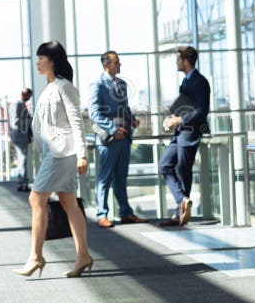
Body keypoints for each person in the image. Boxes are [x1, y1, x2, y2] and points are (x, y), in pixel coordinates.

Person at [13, 40, 93, 278]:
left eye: (42, 58)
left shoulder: (64, 87)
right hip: (55, 152)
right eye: (37, 58)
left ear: (53, 60)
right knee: (69, 204)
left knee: (36, 198)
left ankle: (36, 257)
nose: (38, 62)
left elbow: (76, 121)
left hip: (63, 153)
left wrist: (83, 155)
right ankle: (83, 256)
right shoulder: (49, 88)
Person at [89, 51, 147, 228]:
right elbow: (94, 113)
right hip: (109, 139)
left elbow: (124, 107)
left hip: (125, 136)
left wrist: (132, 120)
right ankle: (102, 214)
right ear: (107, 64)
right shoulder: (97, 84)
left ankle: (126, 213)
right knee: (105, 178)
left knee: (121, 177)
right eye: (117, 62)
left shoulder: (121, 84)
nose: (120, 65)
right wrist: (113, 130)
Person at [158, 46, 211, 227]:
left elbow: (202, 110)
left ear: (186, 62)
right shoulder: (186, 82)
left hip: (190, 133)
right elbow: (185, 106)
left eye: (178, 60)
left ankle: (179, 213)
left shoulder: (200, 82)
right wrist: (172, 119)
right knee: (164, 164)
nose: (176, 63)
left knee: (183, 170)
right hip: (180, 131)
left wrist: (179, 120)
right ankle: (182, 201)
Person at [11, 87, 33, 191]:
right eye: (29, 96)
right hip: (20, 136)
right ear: (25, 95)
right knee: (23, 159)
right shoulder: (18, 104)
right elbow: (16, 121)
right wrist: (28, 120)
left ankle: (21, 182)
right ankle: (24, 183)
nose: (29, 98)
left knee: (21, 159)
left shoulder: (21, 104)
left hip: (21, 136)